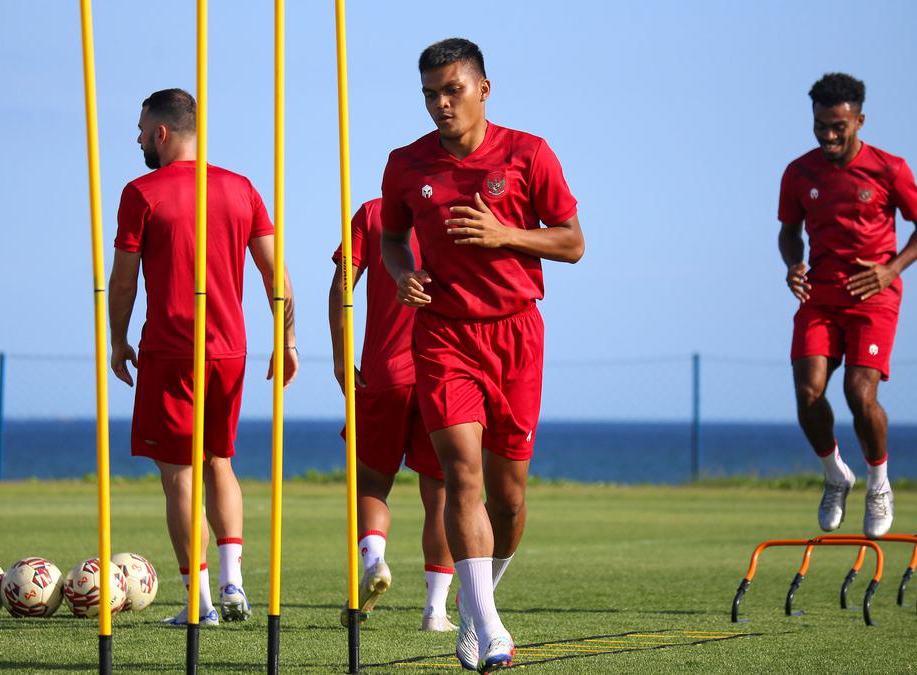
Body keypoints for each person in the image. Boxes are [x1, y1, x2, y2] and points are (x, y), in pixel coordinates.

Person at [380, 39, 584, 672]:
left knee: (510, 498)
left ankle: (478, 600)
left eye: (452, 91)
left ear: (483, 89)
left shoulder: (529, 153)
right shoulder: (406, 164)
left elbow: (574, 243)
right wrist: (401, 272)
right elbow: (390, 237)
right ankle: (491, 631)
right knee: (459, 474)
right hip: (443, 337)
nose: (441, 105)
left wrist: (505, 234)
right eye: (430, 95)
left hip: (517, 336)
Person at [108, 88, 299, 626]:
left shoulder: (140, 193)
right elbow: (276, 276)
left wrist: (117, 338)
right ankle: (234, 582)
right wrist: (286, 341)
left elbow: (122, 282)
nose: (139, 138)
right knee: (220, 463)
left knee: (179, 477)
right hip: (229, 350)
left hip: (170, 349)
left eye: (142, 129)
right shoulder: (241, 188)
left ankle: (201, 601)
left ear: (162, 133)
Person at [777, 73, 917, 539]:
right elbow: (789, 231)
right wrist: (794, 263)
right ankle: (834, 475)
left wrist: (892, 269)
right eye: (821, 125)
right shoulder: (798, 172)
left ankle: (879, 482)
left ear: (859, 121)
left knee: (859, 394)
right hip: (819, 296)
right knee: (809, 395)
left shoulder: (889, 169)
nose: (828, 135)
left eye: (838, 127)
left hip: (874, 296)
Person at [329, 198, 457, 632]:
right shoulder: (461, 212)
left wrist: (340, 356)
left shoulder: (373, 211)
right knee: (441, 494)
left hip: (383, 372)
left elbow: (341, 285)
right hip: (444, 371)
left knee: (371, 483)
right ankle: (435, 611)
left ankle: (375, 560)